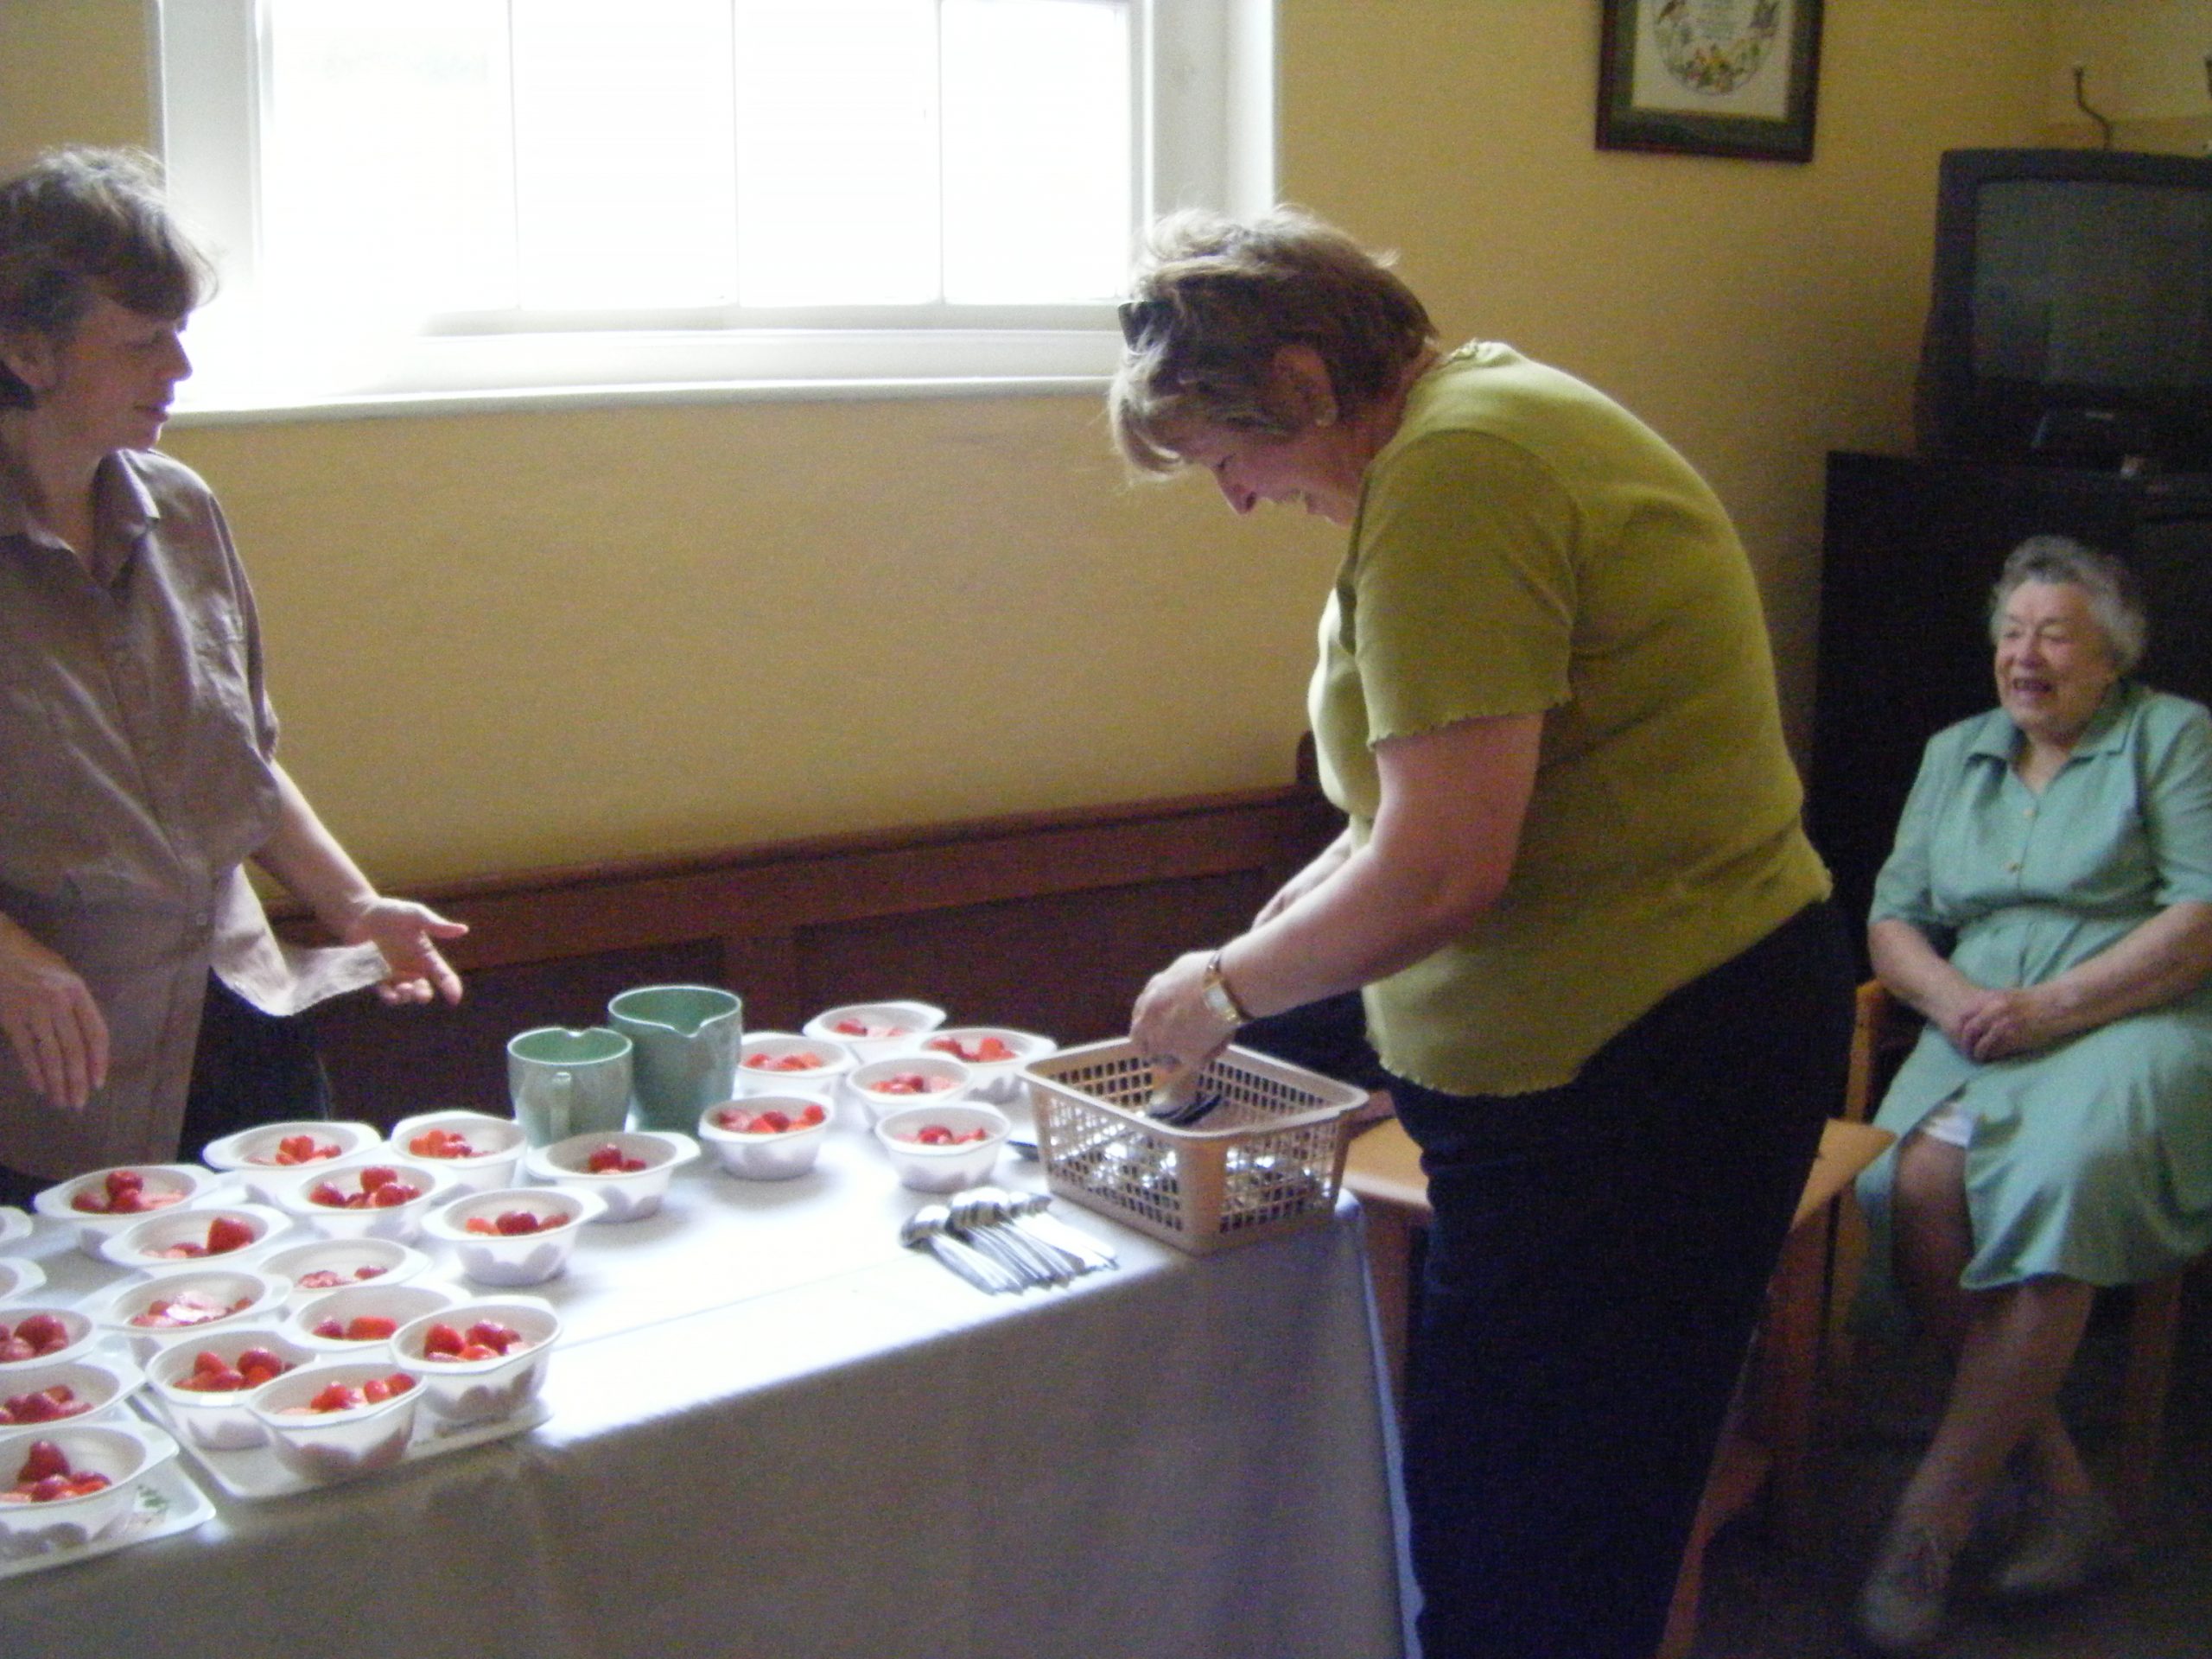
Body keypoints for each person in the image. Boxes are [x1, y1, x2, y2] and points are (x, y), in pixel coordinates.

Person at [1108, 207, 1854, 1659]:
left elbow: (1447, 871)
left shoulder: (1463, 472)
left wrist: (1222, 986)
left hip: (1648, 1066)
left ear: (1309, 382)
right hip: (1621, 1044)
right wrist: (1311, 900)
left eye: (1229, 455)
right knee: (1521, 1516)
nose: (1241, 499)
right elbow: (1434, 787)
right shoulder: (1466, 422)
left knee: (1535, 1543)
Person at [0, 147, 467, 1204]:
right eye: (142, 343)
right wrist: (10, 958)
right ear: (28, 351)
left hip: (241, 1019)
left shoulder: (184, 511)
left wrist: (354, 908)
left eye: (180, 335)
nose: (180, 372)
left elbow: (238, 763)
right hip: (56, 1066)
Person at [1851, 536, 2212, 1652]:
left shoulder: (2172, 735)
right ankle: (2066, 1490)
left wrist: (2053, 1009)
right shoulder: (1954, 751)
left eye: (2056, 634)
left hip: (2130, 1015)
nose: (2026, 656)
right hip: (1976, 1020)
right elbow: (1893, 918)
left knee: (2057, 1184)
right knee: (1911, 1183)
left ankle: (1929, 1521)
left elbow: (2201, 913)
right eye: (2012, 632)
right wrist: (1953, 996)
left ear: (2114, 658)